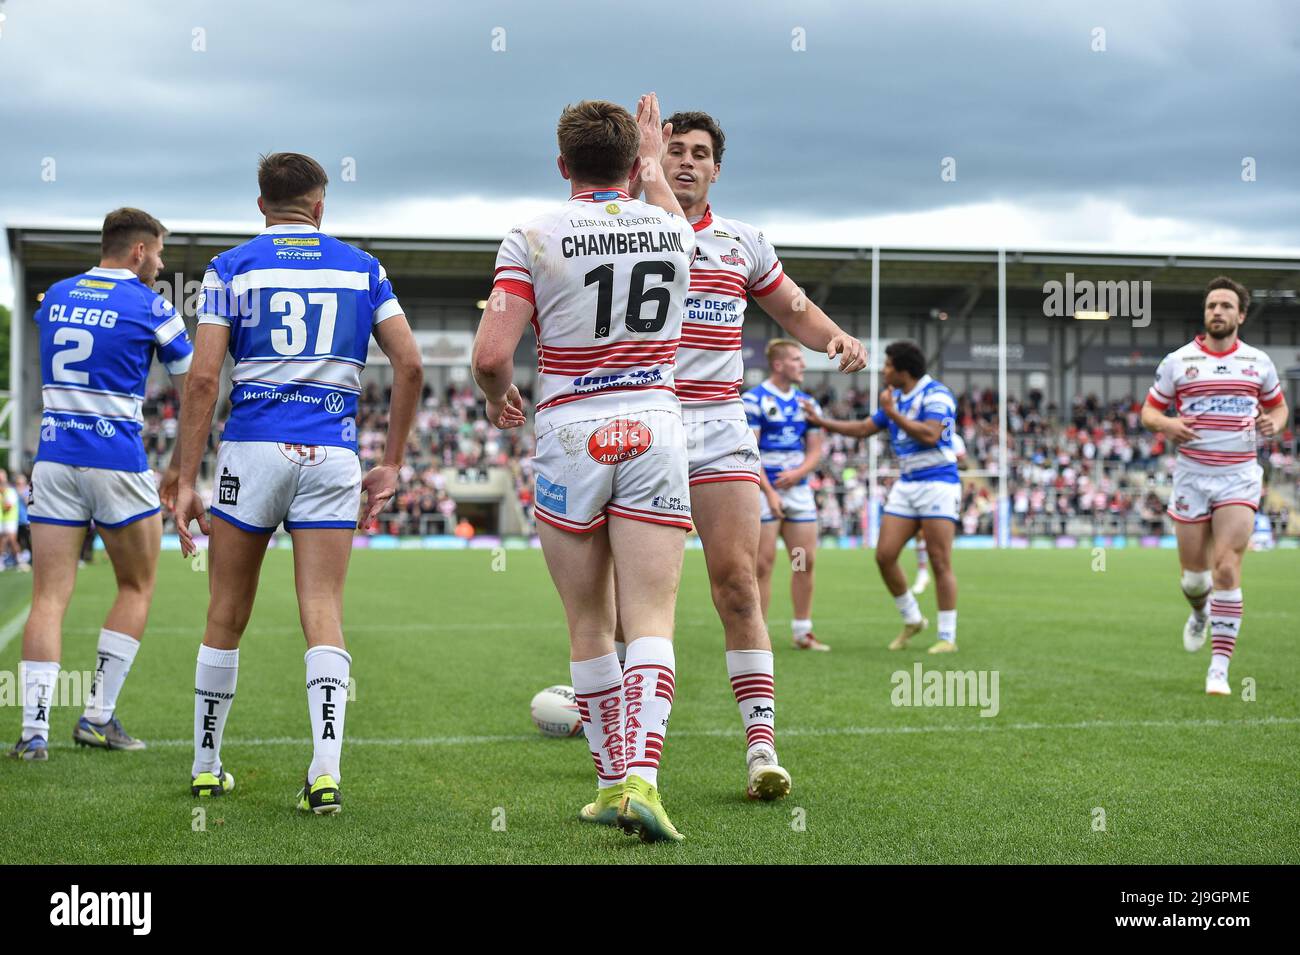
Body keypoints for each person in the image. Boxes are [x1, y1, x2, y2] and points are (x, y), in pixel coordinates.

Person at [473, 95, 695, 842]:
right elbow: (663, 204)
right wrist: (655, 161)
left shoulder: (531, 234)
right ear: (635, 165)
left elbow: (490, 356)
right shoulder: (673, 228)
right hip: (656, 425)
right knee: (652, 617)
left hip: (571, 432)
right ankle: (642, 780)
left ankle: (607, 782)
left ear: (563, 165)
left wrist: (501, 397)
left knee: (590, 623)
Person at [173, 152, 424, 810]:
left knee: (226, 611)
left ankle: (205, 764)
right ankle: (324, 771)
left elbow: (202, 379)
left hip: (251, 452)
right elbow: (412, 364)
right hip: (331, 452)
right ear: (320, 205)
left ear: (262, 205)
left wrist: (183, 477)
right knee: (323, 611)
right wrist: (391, 461)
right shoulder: (362, 267)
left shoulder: (230, 266)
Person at [626, 111, 864, 797]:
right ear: (653, 157)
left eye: (701, 153)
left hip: (722, 424)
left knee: (737, 583)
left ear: (718, 169)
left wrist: (834, 338)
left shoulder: (744, 241)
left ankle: (762, 747)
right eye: (674, 151)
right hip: (648, 422)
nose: (687, 162)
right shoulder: (626, 228)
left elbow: (792, 309)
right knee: (637, 600)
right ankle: (627, 752)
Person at [9, 208, 191, 761]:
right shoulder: (152, 305)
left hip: (55, 458)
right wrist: (180, 466)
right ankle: (96, 716)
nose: (159, 265)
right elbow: (196, 389)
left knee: (48, 597)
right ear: (138, 251)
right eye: (158, 253)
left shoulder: (56, 296)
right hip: (116, 461)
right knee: (135, 587)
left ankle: (33, 732)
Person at [1139, 276, 1287, 695]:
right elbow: (1150, 412)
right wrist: (1169, 424)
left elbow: (1279, 409)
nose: (1217, 312)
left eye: (1225, 306)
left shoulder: (1258, 363)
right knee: (1194, 579)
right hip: (1192, 476)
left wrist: (1272, 425)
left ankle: (1219, 669)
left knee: (1226, 567)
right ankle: (1200, 613)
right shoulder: (1178, 361)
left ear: (1240, 315)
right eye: (1211, 306)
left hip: (1239, 476)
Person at [803, 340, 962, 653]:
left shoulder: (936, 394)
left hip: (939, 483)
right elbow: (864, 428)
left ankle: (947, 636)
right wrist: (822, 422)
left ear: (904, 371)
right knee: (884, 555)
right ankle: (913, 618)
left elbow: (930, 435)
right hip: (908, 483)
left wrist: (892, 414)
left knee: (939, 560)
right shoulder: (897, 397)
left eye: (888, 365)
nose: (884, 371)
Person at [749, 341, 829, 651]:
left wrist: (797, 474)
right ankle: (758, 634)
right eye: (797, 359)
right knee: (763, 565)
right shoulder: (754, 401)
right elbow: (750, 453)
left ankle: (802, 631)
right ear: (779, 365)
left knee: (802, 561)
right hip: (763, 492)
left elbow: (815, 450)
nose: (803, 365)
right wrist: (769, 492)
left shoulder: (807, 404)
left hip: (797, 493)